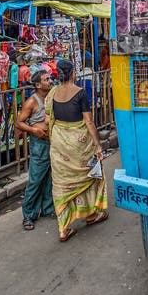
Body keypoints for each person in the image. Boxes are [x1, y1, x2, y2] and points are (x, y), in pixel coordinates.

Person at [44, 59, 108, 242]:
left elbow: (48, 121)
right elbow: (88, 121)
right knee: (90, 177)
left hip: (59, 144)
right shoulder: (80, 93)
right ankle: (90, 215)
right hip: (79, 144)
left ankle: (63, 229)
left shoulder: (52, 93)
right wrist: (97, 145)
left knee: (62, 184)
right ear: (73, 73)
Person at [15, 69, 55, 230]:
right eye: (46, 79)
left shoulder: (52, 97)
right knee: (36, 179)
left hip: (51, 143)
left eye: (50, 78)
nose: (50, 81)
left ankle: (48, 208)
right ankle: (29, 215)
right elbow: (19, 123)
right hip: (39, 144)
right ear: (38, 84)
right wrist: (34, 131)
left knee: (49, 178)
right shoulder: (32, 101)